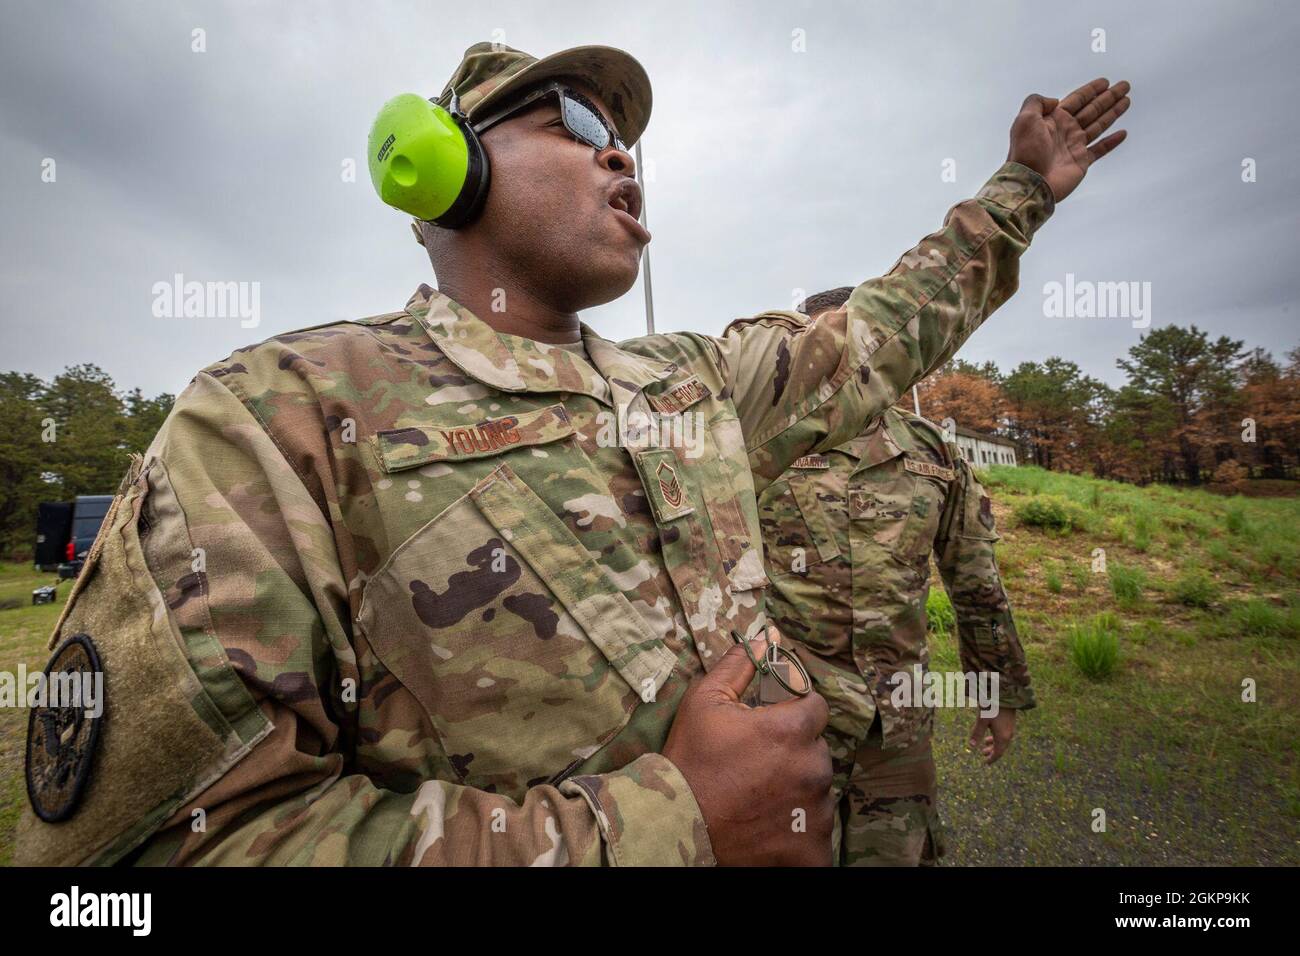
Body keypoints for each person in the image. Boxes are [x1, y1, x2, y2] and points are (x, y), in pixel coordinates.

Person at [18, 40, 1126, 866]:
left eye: (630, 139)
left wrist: (1019, 187)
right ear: (440, 169)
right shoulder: (280, 419)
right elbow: (147, 862)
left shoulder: (695, 383)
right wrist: (662, 826)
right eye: (577, 123)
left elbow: (886, 326)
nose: (622, 156)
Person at [729, 287, 1035, 866]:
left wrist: (996, 694)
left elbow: (975, 582)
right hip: (784, 717)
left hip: (897, 727)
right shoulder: (759, 445)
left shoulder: (933, 452)